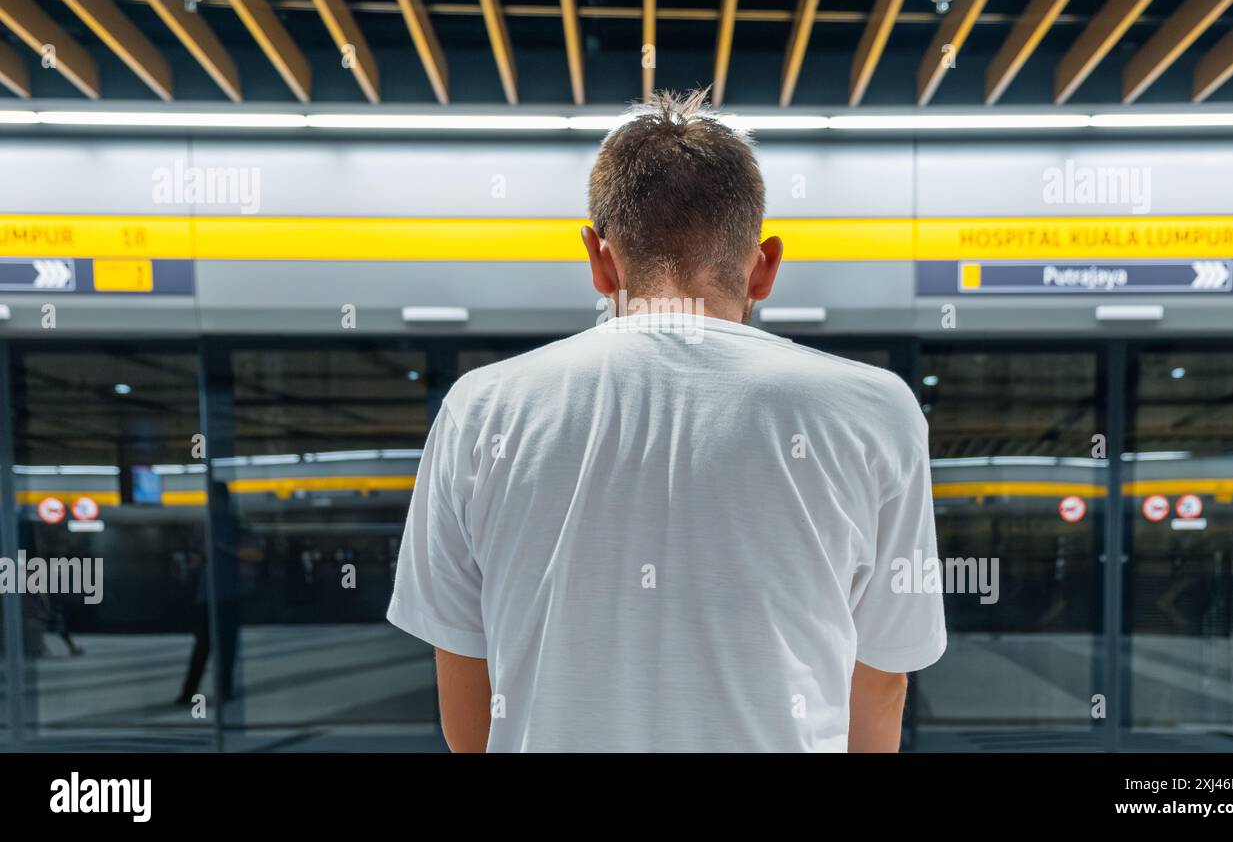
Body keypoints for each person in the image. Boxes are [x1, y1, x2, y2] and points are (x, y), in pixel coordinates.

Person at [388, 89, 946, 752]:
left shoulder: (479, 409)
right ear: (764, 265)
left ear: (599, 260)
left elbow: (465, 684)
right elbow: (882, 683)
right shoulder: (875, 411)